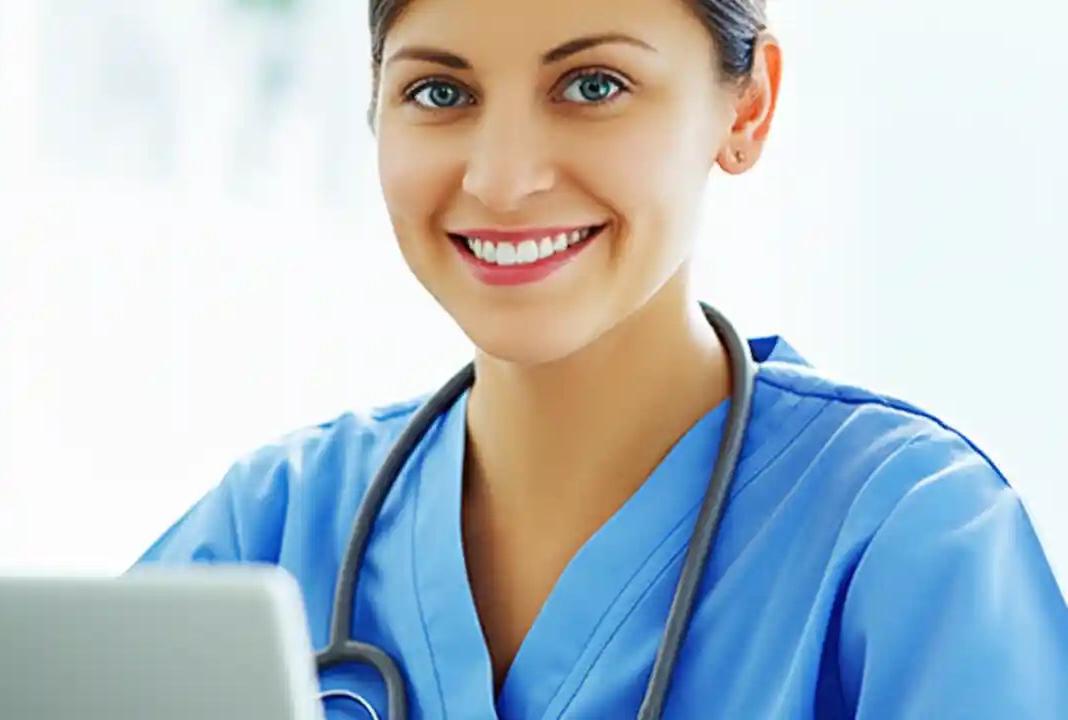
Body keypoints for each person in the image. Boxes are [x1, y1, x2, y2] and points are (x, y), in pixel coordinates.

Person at [135, 0, 1068, 717]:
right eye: (440, 92)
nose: (500, 180)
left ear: (748, 108)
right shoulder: (273, 528)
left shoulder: (907, 537)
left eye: (592, 86)